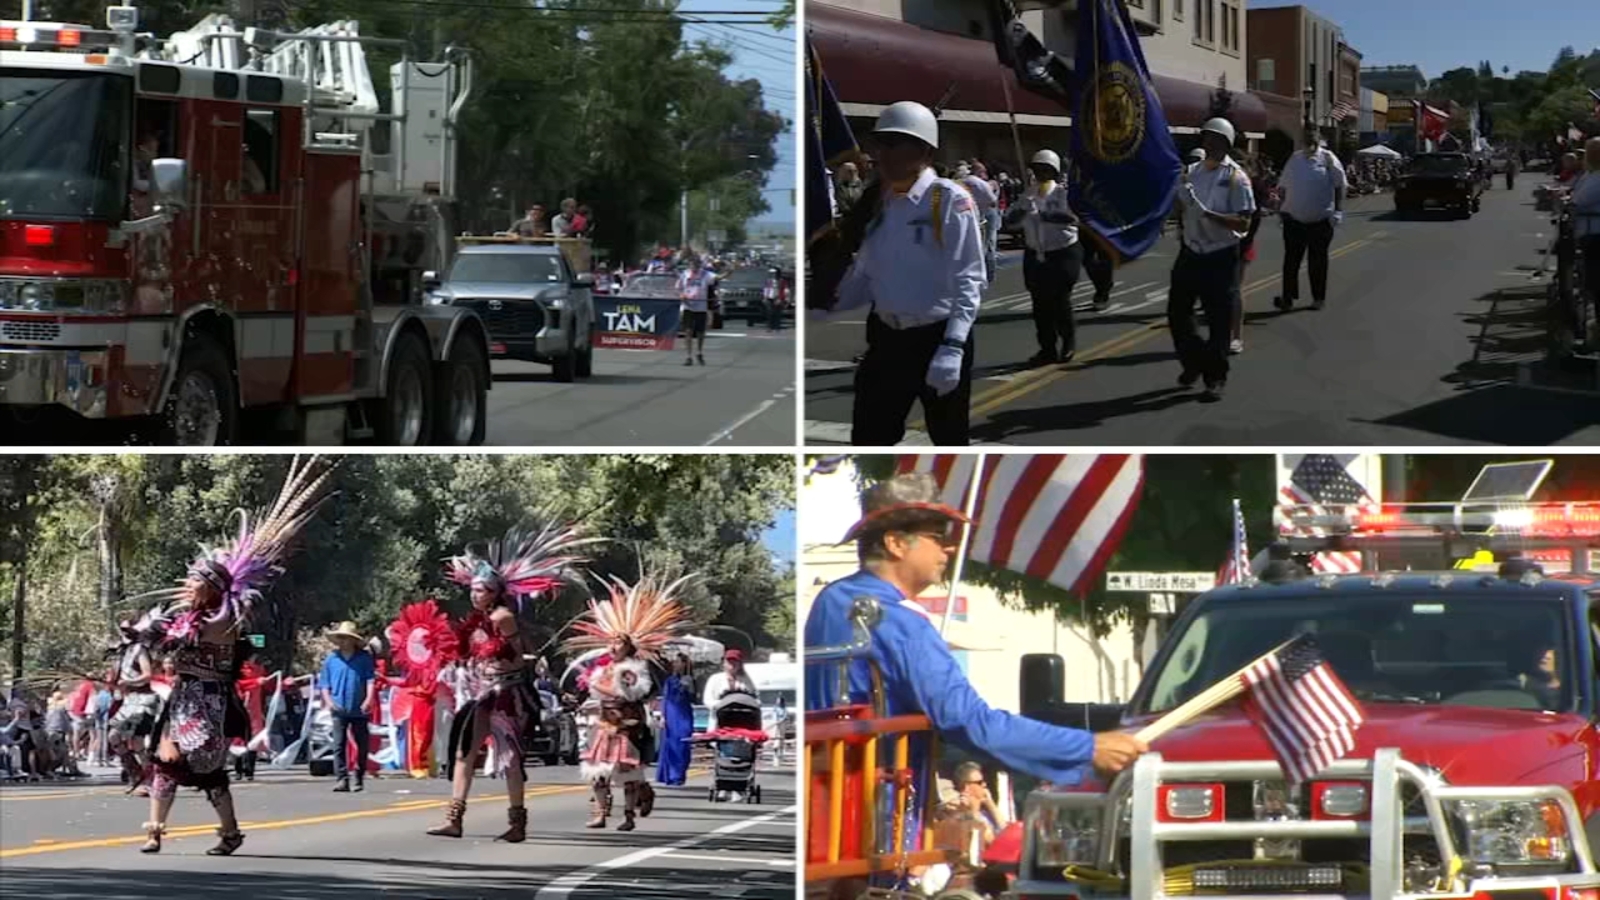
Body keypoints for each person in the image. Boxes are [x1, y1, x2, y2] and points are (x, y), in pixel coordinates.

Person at [804, 473, 1149, 879]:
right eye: (937, 535)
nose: (949, 548)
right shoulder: (898, 620)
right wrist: (1087, 747)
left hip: (825, 822)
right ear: (897, 543)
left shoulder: (831, 600)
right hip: (875, 825)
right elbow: (971, 722)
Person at [127, 457, 333, 855]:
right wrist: (141, 636)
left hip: (211, 703)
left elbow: (189, 637)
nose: (187, 586)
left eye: (195, 582)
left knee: (206, 769)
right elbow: (169, 641)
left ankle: (230, 831)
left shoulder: (223, 621)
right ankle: (155, 831)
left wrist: (157, 632)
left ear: (212, 589)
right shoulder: (191, 617)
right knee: (166, 762)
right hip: (183, 698)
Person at [822, 101, 985, 446]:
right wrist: (824, 307)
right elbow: (866, 274)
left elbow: (969, 279)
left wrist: (953, 346)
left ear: (924, 150)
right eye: (879, 143)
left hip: (936, 338)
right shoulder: (877, 204)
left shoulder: (948, 200)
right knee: (869, 437)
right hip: (886, 340)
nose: (881, 153)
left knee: (949, 440)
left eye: (893, 143)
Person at [427, 522, 594, 842]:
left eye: (482, 590)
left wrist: (497, 657)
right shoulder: (476, 621)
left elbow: (517, 657)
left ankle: (517, 823)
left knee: (510, 759)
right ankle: (454, 819)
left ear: (496, 592)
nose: (475, 594)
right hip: (481, 695)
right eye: (473, 589)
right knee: (465, 753)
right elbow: (470, 652)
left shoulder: (502, 617)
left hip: (507, 695)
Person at [564, 573, 693, 830]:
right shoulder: (601, 668)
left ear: (628, 646)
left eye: (619, 642)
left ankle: (628, 816)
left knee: (627, 772)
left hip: (627, 725)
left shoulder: (635, 669)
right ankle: (601, 813)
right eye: (611, 642)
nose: (613, 646)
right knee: (598, 771)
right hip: (603, 723)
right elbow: (595, 690)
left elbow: (634, 693)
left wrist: (614, 688)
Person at [1169, 117, 1256, 402]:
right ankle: (1193, 361)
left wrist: (1207, 213)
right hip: (1191, 251)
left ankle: (1215, 377)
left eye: (1217, 139)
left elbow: (1243, 223)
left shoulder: (1236, 177)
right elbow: (1178, 208)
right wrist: (1177, 202)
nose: (1210, 143)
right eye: (1207, 137)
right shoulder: (1190, 171)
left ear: (1227, 143)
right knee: (1177, 315)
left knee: (1218, 320)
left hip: (1220, 255)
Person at [1011, 149, 1085, 366]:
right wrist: (1022, 211)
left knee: (1060, 301)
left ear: (1054, 171)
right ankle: (1047, 348)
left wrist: (1045, 215)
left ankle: (1068, 342)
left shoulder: (1062, 193)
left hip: (1063, 253)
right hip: (1035, 254)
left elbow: (1072, 218)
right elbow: (1010, 220)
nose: (1041, 173)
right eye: (1037, 169)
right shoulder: (1027, 194)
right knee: (1040, 306)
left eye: (1046, 169)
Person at [1275, 125, 1346, 313]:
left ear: (1318, 138)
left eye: (1313, 137)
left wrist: (1338, 211)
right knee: (1291, 261)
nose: (1310, 141)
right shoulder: (1295, 159)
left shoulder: (1328, 159)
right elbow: (1283, 186)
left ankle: (1318, 298)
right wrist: (1280, 210)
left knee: (1318, 262)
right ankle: (1288, 298)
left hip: (1320, 220)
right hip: (1293, 219)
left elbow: (1339, 185)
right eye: (1307, 137)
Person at [320, 622, 377, 793]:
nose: (343, 641)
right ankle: (342, 779)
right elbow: (324, 684)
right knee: (339, 745)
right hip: (338, 707)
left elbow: (370, 680)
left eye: (346, 638)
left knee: (362, 744)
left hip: (359, 708)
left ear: (353, 640)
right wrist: (329, 702)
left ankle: (358, 777)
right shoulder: (331, 659)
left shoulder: (364, 658)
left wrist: (368, 699)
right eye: (341, 638)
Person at [106, 621, 161, 793]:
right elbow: (120, 682)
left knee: (131, 740)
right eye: (122, 631)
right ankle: (139, 775)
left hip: (144, 700)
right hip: (130, 700)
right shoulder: (122, 654)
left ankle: (147, 779)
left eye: (127, 631)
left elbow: (147, 675)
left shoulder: (140, 650)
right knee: (119, 739)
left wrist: (129, 681)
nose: (124, 634)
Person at [1572, 139, 1600, 341]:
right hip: (1592, 234)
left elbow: (1581, 200)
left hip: (1596, 236)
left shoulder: (1597, 178)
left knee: (1595, 283)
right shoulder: (1592, 176)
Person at [655, 653, 695, 786]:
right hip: (671, 714)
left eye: (679, 662)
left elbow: (693, 698)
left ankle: (679, 774)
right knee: (669, 744)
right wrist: (662, 716)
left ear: (685, 664)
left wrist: (689, 687)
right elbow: (665, 699)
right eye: (675, 662)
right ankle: (669, 775)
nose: (676, 664)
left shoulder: (689, 679)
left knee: (682, 744)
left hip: (684, 714)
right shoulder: (669, 680)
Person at [678, 258, 714, 366]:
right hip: (688, 306)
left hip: (701, 307)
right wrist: (681, 295)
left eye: (696, 265)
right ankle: (688, 356)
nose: (694, 266)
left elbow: (717, 278)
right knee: (688, 332)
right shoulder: (684, 274)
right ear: (689, 265)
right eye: (692, 264)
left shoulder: (705, 274)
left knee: (700, 333)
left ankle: (699, 353)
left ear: (699, 265)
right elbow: (679, 288)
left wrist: (728, 272)